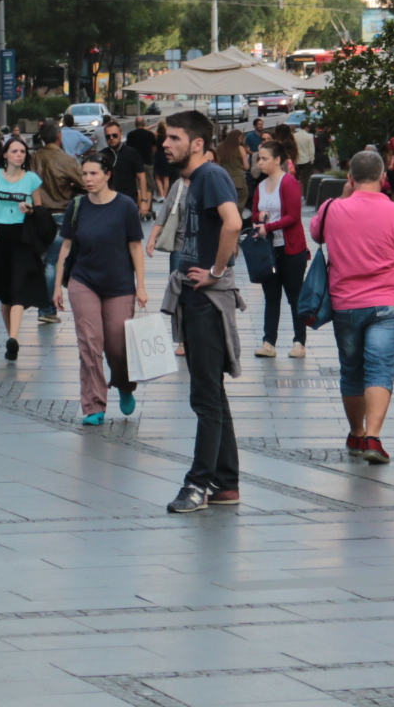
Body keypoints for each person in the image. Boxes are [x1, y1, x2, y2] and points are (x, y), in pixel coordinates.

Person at [311, 150, 394, 463]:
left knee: (352, 370)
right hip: (387, 306)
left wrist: (342, 197)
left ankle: (356, 433)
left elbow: (316, 233)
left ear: (350, 178)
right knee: (380, 368)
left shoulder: (331, 209)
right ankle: (374, 439)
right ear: (384, 177)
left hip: (345, 305)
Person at [159, 110, 248, 513]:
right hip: (194, 297)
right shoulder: (193, 180)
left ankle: (197, 485)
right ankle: (226, 484)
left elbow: (233, 223)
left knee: (205, 398)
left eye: (174, 138)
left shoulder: (210, 175)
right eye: (166, 138)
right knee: (212, 393)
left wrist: (216, 272)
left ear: (197, 143)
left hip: (207, 302)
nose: (166, 144)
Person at [53, 149, 148, 424]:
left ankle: (125, 385)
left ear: (107, 175)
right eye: (84, 174)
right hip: (84, 281)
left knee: (117, 347)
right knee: (89, 343)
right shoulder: (77, 206)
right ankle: (94, 406)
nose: (88, 179)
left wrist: (141, 286)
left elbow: (135, 246)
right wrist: (58, 286)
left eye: (93, 173)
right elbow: (66, 247)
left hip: (119, 285)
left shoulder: (126, 206)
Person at [0, 135, 48, 362]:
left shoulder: (32, 180)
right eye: (14, 151)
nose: (19, 155)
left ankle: (14, 338)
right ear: (5, 155)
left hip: (22, 238)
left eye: (22, 151)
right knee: (5, 294)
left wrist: (30, 210)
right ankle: (12, 340)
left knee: (18, 289)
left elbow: (40, 210)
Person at [249, 139, 309, 359]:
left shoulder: (289, 182)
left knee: (295, 297)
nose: (260, 162)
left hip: (291, 249)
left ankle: (299, 342)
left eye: (264, 158)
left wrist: (268, 227)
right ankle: (268, 343)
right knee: (271, 297)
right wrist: (260, 217)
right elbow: (254, 213)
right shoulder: (260, 186)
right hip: (268, 251)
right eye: (259, 158)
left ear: (277, 160)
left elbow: (294, 217)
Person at [30, 121, 83, 326]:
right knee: (52, 263)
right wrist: (71, 188)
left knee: (44, 262)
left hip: (37, 215)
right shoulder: (66, 160)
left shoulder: (34, 158)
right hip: (60, 214)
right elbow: (85, 183)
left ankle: (43, 304)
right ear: (59, 136)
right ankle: (47, 309)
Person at [103, 120, 152, 216]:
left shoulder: (132, 153)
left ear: (121, 135)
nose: (111, 138)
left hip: (129, 200)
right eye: (108, 136)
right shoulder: (102, 155)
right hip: (107, 201)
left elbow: (142, 178)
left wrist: (144, 200)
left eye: (114, 135)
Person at [292, 121, 317, 186]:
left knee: (295, 178)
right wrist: (312, 160)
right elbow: (311, 149)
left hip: (296, 159)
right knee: (306, 179)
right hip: (306, 160)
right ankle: (305, 191)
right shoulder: (309, 136)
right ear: (307, 127)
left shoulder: (294, 136)